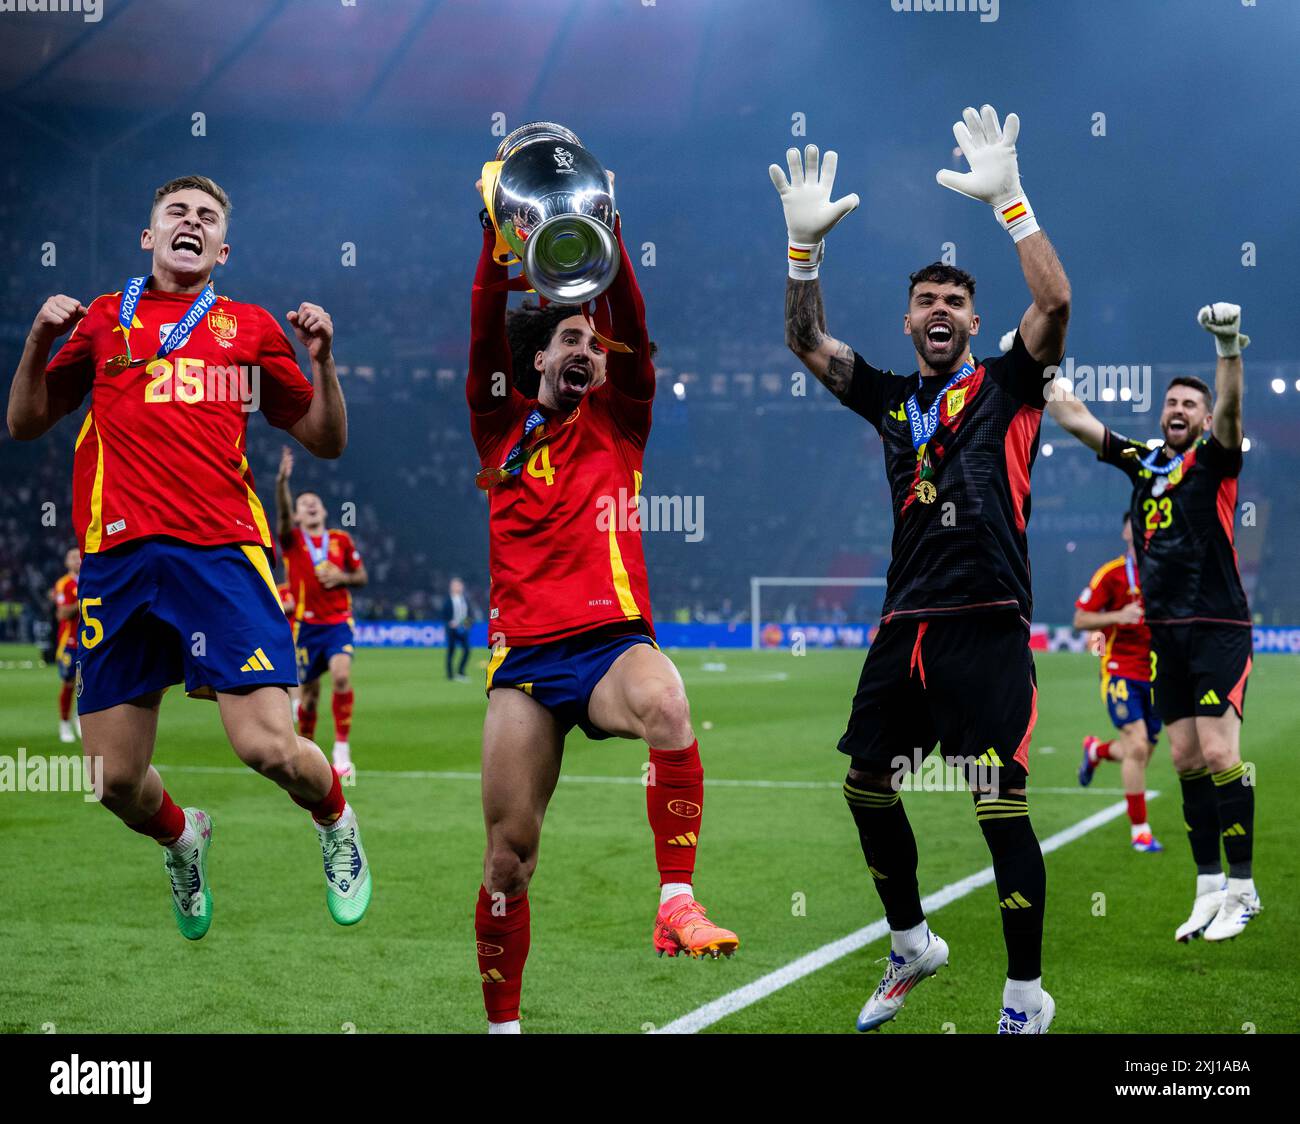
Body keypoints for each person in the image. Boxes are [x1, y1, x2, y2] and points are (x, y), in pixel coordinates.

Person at [5, 174, 372, 939]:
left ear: (222, 249)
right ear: (149, 236)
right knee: (111, 780)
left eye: (206, 217)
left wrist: (325, 362)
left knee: (268, 747)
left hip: (221, 556)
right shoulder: (105, 320)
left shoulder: (250, 327)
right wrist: (38, 341)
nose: (191, 222)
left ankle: (336, 819)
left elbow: (326, 440)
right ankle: (183, 836)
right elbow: (25, 422)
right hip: (117, 561)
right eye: (177, 212)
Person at [773, 105, 1070, 1033]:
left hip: (985, 621)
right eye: (926, 300)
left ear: (976, 322)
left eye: (955, 301)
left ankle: (1025, 998)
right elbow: (807, 345)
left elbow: (1054, 304)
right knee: (866, 784)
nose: (940, 310)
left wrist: (1013, 204)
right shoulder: (895, 402)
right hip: (905, 627)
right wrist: (801, 255)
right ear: (907, 321)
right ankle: (912, 944)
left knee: (996, 806)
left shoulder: (1012, 382)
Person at [468, 171, 739, 1034]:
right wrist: (492, 239)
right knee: (508, 862)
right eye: (571, 339)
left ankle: (675, 899)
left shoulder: (621, 422)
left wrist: (611, 236)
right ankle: (504, 1030)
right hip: (524, 665)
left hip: (610, 640)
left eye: (594, 339)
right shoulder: (497, 427)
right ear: (539, 356)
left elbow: (640, 334)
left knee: (667, 699)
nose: (588, 349)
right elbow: (481, 330)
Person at [1048, 303, 1258, 943]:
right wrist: (1040, 369)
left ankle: (1244, 891)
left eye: (1188, 406)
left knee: (1222, 752)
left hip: (1218, 628)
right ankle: (1208, 890)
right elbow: (1076, 417)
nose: (1178, 411)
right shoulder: (1143, 461)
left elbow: (1230, 413)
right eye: (1171, 403)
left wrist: (1227, 349)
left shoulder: (1215, 461)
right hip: (1166, 638)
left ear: (1200, 420)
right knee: (1187, 758)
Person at [276, 446, 367, 777]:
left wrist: (341, 576)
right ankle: (308, 754)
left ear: (324, 511)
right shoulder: (292, 541)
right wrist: (283, 483)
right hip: (306, 628)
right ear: (298, 516)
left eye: (315, 501)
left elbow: (361, 577)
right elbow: (283, 516)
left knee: (342, 675)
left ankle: (342, 751)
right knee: (309, 700)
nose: (310, 504)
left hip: (338, 622)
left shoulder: (341, 541)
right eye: (303, 504)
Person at [1073, 514, 1162, 852]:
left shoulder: (1167, 573)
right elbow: (1080, 618)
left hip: (1157, 674)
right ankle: (1140, 830)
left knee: (1140, 751)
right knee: (1137, 747)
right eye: (1137, 524)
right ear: (1126, 530)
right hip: (1119, 668)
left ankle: (1095, 750)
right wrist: (1116, 616)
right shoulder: (1110, 574)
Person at [51, 546, 81, 743]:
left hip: (88, 642)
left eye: (80, 557)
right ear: (66, 562)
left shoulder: (91, 580)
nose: (78, 560)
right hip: (69, 642)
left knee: (85, 685)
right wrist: (84, 602)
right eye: (73, 557)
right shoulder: (64, 584)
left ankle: (81, 721)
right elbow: (62, 613)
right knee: (69, 683)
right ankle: (64, 724)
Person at [442, 577, 473, 681]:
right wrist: (449, 623)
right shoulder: (448, 600)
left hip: (463, 629)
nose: (457, 587)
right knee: (451, 651)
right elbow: (443, 615)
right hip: (451, 629)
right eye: (455, 585)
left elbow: (470, 615)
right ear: (451, 587)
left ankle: (461, 671)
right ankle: (450, 675)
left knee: (467, 650)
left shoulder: (465, 600)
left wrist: (467, 625)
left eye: (459, 585)